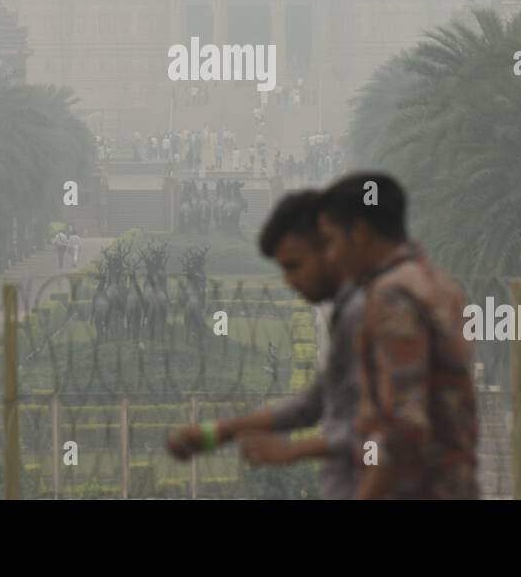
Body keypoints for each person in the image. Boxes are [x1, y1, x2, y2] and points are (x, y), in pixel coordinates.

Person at [165, 191, 366, 499]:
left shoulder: (374, 312)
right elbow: (315, 402)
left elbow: (398, 428)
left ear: (330, 248)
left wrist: (291, 451)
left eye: (295, 265)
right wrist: (219, 432)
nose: (288, 280)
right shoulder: (348, 310)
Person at [315, 172, 479, 500]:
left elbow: (406, 425)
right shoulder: (435, 282)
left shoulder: (393, 296)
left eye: (332, 242)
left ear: (360, 234)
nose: (331, 256)